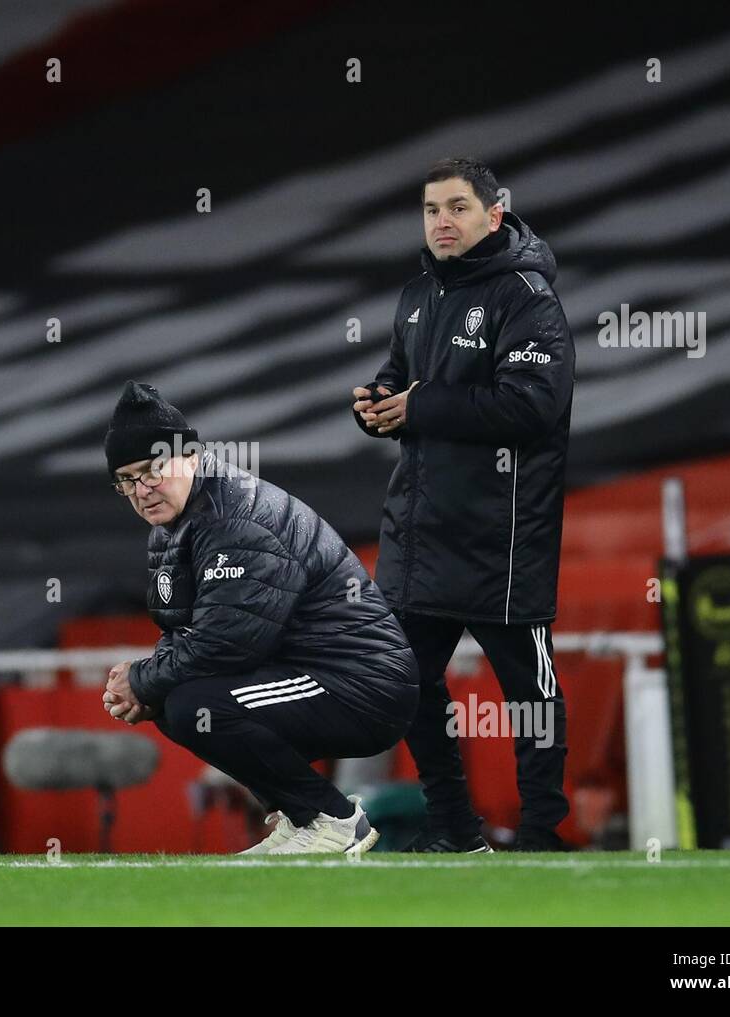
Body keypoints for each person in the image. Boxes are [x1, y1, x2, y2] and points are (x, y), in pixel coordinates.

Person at [351, 157, 574, 852]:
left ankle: (542, 833)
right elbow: (398, 378)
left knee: (530, 697)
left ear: (493, 214)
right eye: (430, 210)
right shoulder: (419, 293)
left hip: (499, 537)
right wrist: (375, 404)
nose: (441, 222)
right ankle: (453, 825)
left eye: (456, 208)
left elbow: (532, 405)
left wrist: (418, 405)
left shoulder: (526, 296)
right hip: (421, 532)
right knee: (403, 683)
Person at [101, 382, 420, 854]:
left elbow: (227, 641)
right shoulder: (177, 524)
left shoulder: (236, 518)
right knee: (175, 703)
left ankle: (331, 820)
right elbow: (184, 628)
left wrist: (145, 679)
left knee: (192, 706)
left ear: (190, 456)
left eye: (153, 470)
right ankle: (302, 817)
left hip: (361, 683)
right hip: (312, 673)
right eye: (126, 480)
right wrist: (147, 687)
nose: (141, 490)